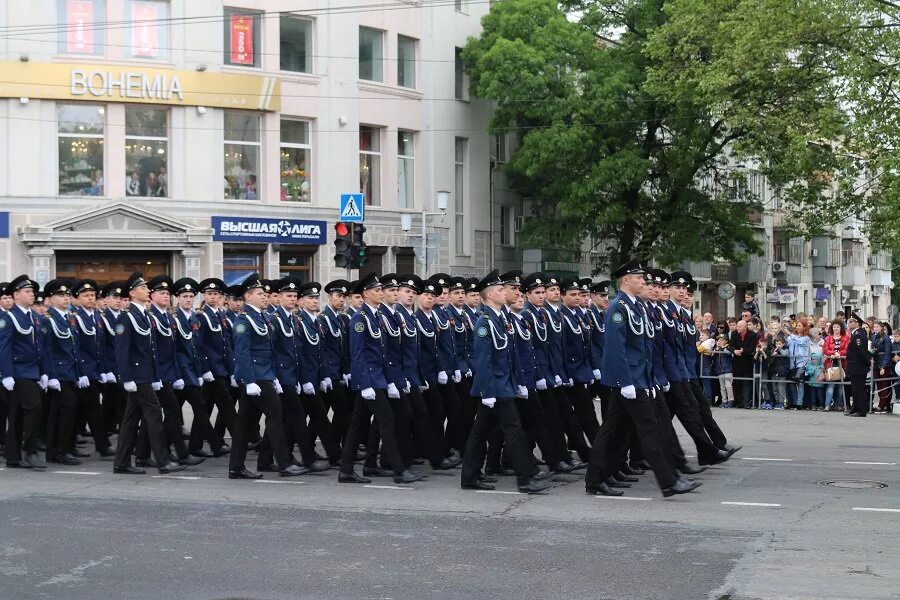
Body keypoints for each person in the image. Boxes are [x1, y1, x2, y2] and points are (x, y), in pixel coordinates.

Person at [585, 260, 700, 498]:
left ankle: (596, 480)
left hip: (640, 380)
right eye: (640, 278)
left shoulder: (637, 306)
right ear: (626, 280)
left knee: (612, 432)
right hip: (629, 381)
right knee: (650, 430)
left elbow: (645, 348)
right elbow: (616, 349)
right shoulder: (619, 308)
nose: (644, 282)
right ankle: (669, 481)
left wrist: (649, 380)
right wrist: (626, 381)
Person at [460, 270, 551, 494]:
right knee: (514, 430)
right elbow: (483, 361)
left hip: (505, 383)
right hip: (495, 387)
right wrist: (488, 391)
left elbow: (510, 356)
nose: (506, 292)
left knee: (480, 432)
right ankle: (526, 478)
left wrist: (519, 382)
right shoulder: (485, 322)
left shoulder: (503, 319)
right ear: (490, 295)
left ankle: (470, 476)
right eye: (501, 290)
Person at [338, 273, 422, 485]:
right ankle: (399, 470)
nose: (380, 293)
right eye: (376, 290)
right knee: (386, 420)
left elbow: (384, 354)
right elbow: (357, 355)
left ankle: (347, 470)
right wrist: (365, 385)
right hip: (369, 381)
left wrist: (391, 381)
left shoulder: (376, 317)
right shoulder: (359, 319)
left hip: (379, 378)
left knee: (357, 424)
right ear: (366, 294)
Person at [227, 274, 305, 479]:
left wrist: (274, 377)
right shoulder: (243, 320)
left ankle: (236, 467)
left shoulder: (262, 317)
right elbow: (242, 353)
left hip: (265, 375)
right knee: (275, 414)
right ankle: (284, 463)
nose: (265, 297)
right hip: (255, 378)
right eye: (260, 294)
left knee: (244, 424)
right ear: (248, 296)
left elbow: (269, 351)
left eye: (265, 294)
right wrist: (250, 381)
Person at [112, 272, 185, 475]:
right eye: (143, 288)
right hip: (136, 376)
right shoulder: (126, 318)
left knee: (130, 419)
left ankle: (121, 462)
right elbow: (122, 350)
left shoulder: (144, 315)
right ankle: (162, 460)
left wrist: (154, 377)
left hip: (145, 375)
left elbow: (151, 349)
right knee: (154, 414)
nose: (147, 291)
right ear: (133, 293)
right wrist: (126, 378)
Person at [0, 276, 46, 469]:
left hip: (32, 370)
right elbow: (3, 348)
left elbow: (41, 347)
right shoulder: (8, 318)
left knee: (17, 413)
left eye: (32, 292)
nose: (32, 294)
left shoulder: (34, 317)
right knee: (35, 408)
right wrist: (6, 374)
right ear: (16, 295)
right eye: (27, 292)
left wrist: (44, 372)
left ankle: (12, 457)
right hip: (19, 372)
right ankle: (30, 449)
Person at [40, 279, 85, 466]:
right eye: (61, 295)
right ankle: (59, 450)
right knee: (65, 410)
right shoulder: (48, 319)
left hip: (70, 372)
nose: (65, 298)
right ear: (50, 299)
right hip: (58, 373)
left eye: (67, 295)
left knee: (63, 412)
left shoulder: (70, 318)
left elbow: (75, 348)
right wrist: (50, 375)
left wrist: (80, 372)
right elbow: (46, 349)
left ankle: (57, 450)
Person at [845, 314, 872, 417]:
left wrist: (867, 363)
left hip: (858, 366)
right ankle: (855, 408)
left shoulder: (858, 334)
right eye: (849, 322)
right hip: (855, 366)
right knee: (854, 389)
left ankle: (861, 410)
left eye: (852, 321)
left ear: (857, 323)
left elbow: (861, 351)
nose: (849, 323)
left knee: (859, 389)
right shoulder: (855, 333)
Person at [787, 322, 811, 409]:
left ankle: (799, 403)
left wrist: (791, 334)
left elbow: (800, 342)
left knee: (800, 383)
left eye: (800, 326)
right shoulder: (791, 337)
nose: (797, 327)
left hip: (801, 363)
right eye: (797, 325)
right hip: (792, 363)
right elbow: (788, 343)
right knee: (792, 383)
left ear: (804, 327)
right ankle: (793, 402)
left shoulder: (806, 338)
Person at [871, 321, 893, 413]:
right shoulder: (874, 337)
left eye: (877, 326)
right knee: (879, 385)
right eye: (874, 327)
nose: (875, 328)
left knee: (884, 385)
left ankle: (882, 404)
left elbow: (888, 353)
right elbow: (874, 350)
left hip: (884, 365)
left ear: (881, 327)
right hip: (876, 363)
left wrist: (883, 366)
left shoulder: (886, 338)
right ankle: (882, 403)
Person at [807, 327, 826, 410]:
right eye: (818, 333)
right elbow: (808, 357)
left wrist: (823, 367)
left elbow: (824, 356)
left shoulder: (823, 342)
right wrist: (810, 368)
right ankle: (812, 405)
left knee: (820, 392)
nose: (820, 335)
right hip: (811, 366)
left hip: (821, 367)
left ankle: (821, 405)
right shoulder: (809, 343)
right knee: (812, 392)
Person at [713, 335, 735, 408]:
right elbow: (713, 357)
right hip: (719, 371)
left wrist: (723, 348)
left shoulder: (728, 348)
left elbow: (729, 353)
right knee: (722, 387)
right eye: (719, 340)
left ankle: (730, 400)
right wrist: (717, 348)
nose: (720, 341)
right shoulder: (716, 349)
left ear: (726, 341)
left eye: (722, 340)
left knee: (728, 386)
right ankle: (724, 400)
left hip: (728, 370)